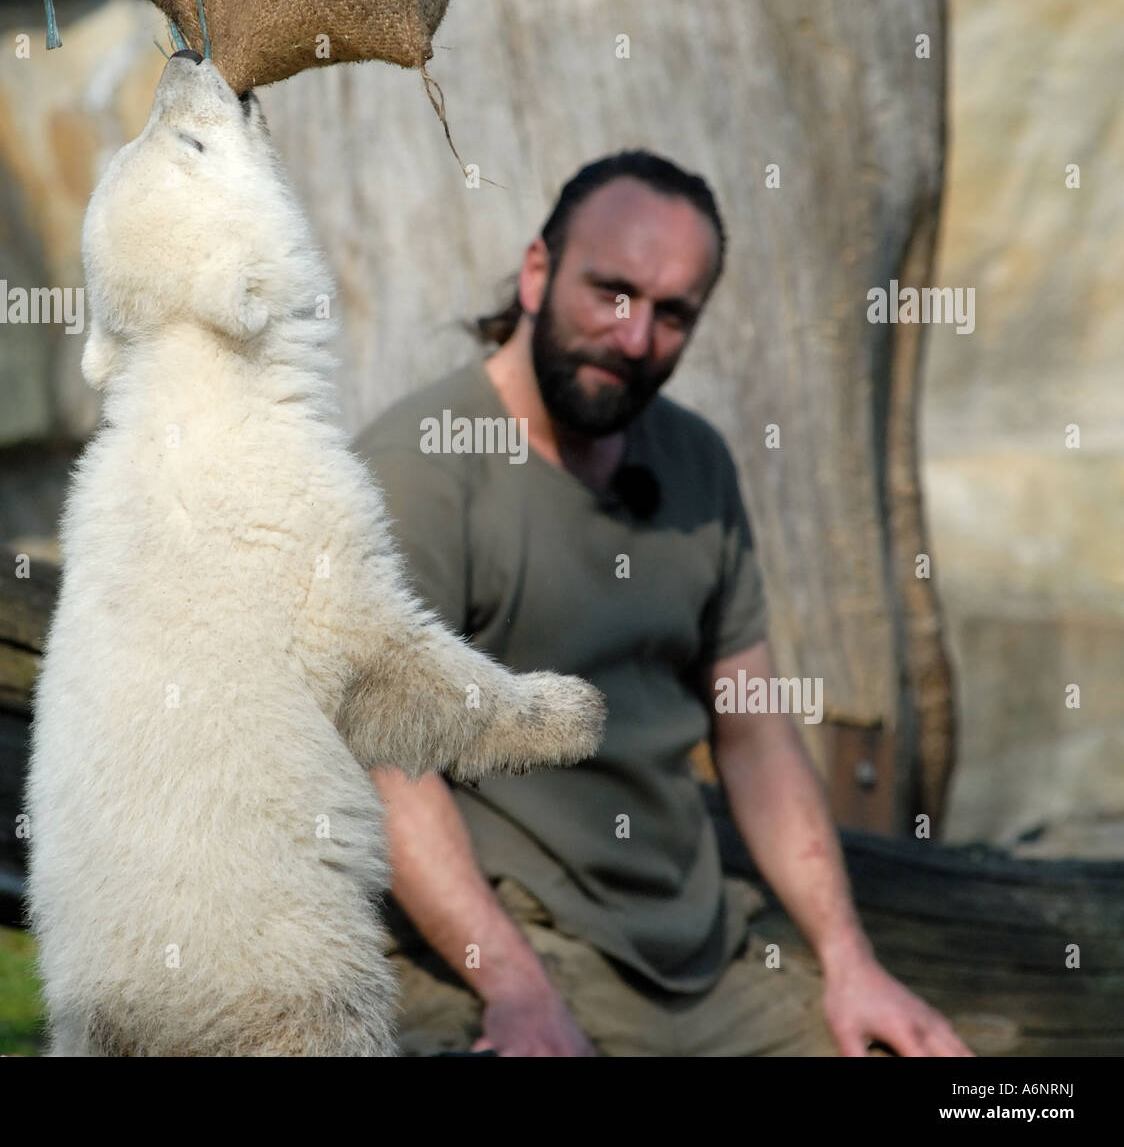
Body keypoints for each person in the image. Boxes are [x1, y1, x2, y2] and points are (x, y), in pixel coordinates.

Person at [352, 151, 971, 1057]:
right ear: (536, 273)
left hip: (699, 960)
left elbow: (754, 732)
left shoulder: (696, 465)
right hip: (497, 949)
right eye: (610, 291)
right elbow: (388, 770)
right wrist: (515, 989)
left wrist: (848, 961)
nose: (634, 337)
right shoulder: (418, 468)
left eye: (672, 313)